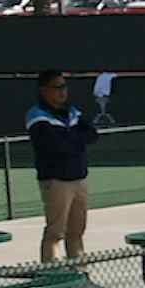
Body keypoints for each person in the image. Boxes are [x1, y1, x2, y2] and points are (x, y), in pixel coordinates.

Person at [24, 67, 96, 266]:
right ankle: (54, 282)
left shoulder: (72, 112)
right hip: (56, 181)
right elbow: (54, 146)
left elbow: (92, 134)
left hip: (79, 178)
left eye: (64, 86)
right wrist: (75, 139)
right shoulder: (36, 115)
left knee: (77, 232)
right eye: (57, 87)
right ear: (43, 90)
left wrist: (71, 138)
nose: (62, 91)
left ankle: (81, 278)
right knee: (55, 233)